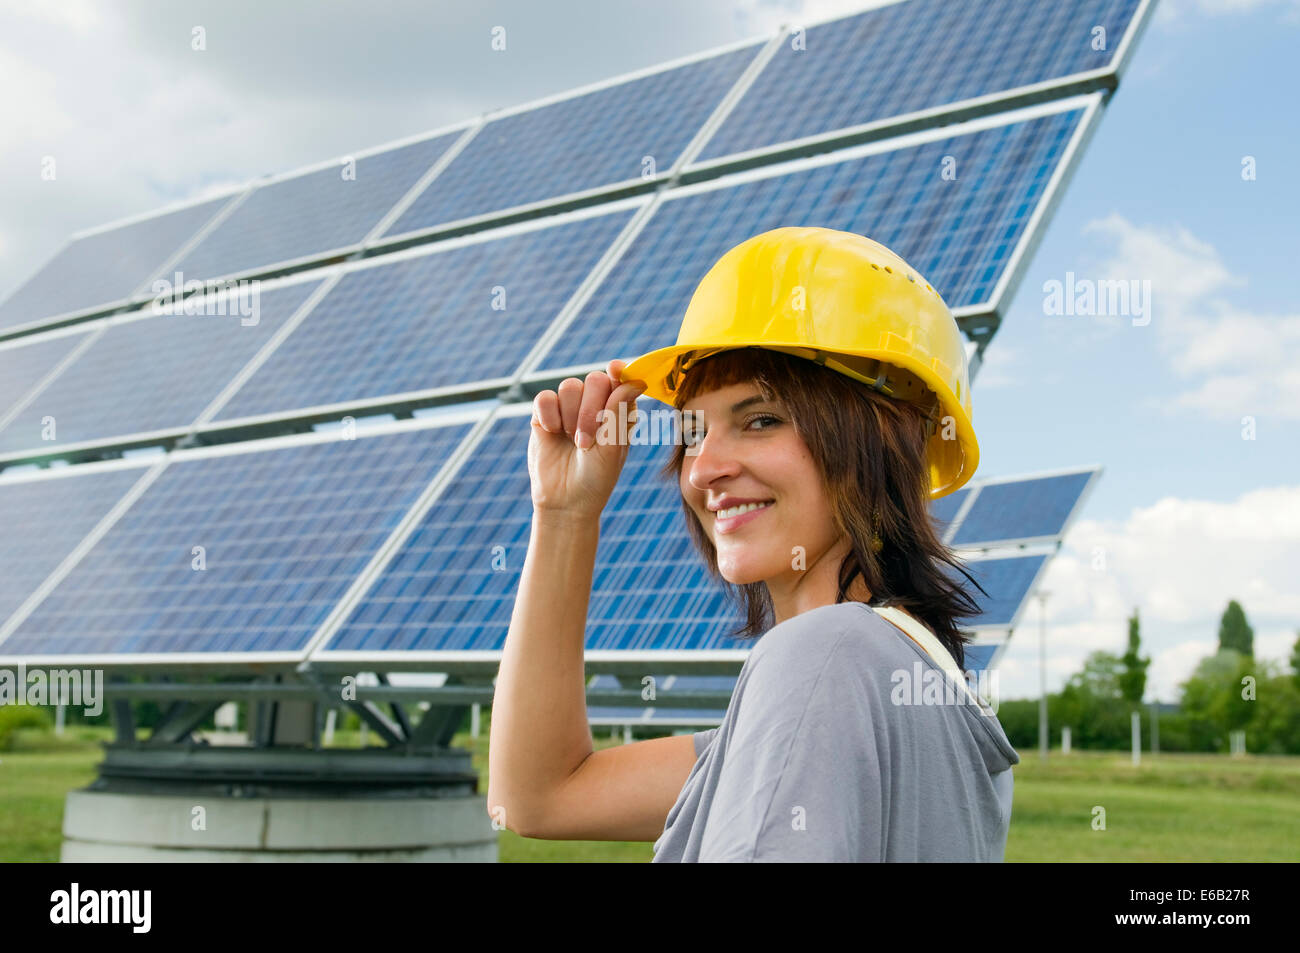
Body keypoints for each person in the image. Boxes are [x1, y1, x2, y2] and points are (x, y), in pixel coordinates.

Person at [487, 226, 1020, 861]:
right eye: (693, 432)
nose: (702, 468)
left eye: (761, 419)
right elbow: (540, 796)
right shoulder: (904, 691)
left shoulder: (824, 659)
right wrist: (566, 513)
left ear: (884, 436)